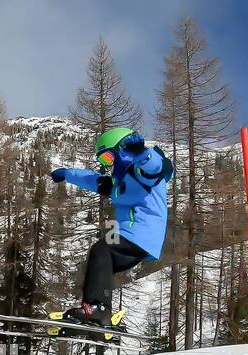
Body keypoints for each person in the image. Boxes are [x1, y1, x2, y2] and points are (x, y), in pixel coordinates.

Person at [50, 127, 173, 326]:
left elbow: (156, 166)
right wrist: (67, 174)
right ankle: (99, 315)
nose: (108, 164)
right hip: (130, 234)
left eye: (109, 157)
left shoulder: (142, 172)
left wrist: (141, 153)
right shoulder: (119, 182)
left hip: (142, 233)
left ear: (123, 150)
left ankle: (98, 308)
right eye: (103, 160)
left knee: (102, 250)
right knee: (100, 260)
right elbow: (92, 180)